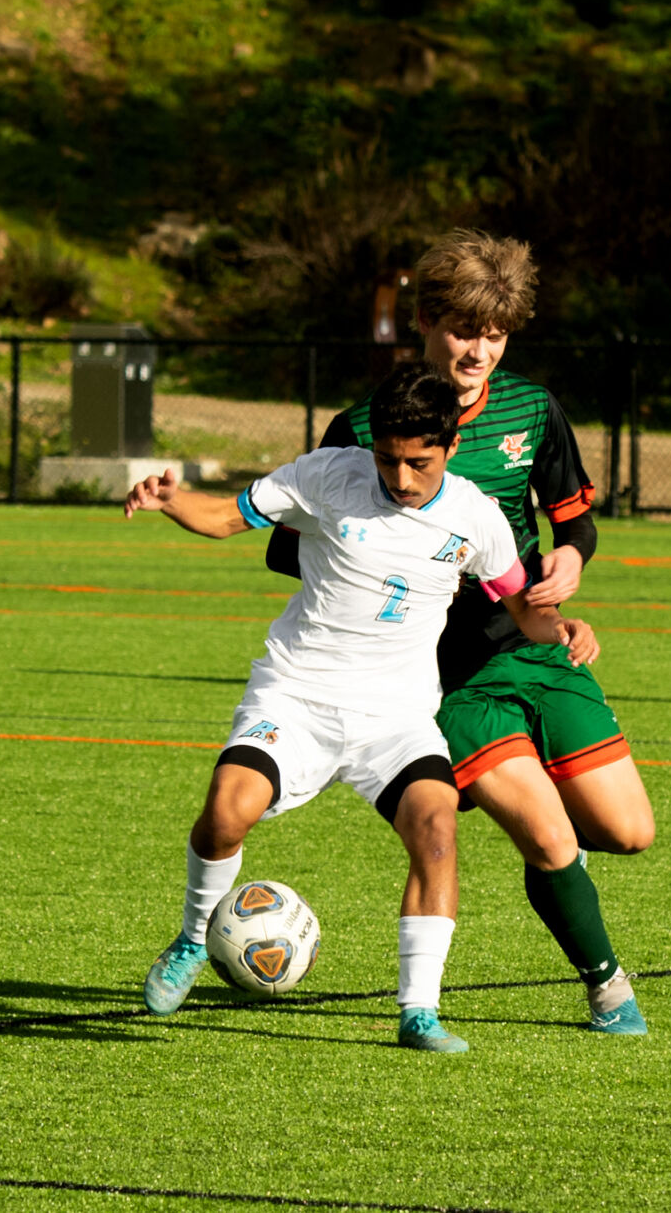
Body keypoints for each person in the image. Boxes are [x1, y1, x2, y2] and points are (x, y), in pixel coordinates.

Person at [129, 364, 599, 1054]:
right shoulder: (327, 474)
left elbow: (518, 601)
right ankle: (193, 941)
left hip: (396, 717)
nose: (401, 479)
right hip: (297, 695)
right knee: (226, 811)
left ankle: (419, 1011)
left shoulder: (477, 517)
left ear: (450, 450)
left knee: (436, 831)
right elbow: (225, 517)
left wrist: (560, 625)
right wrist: (173, 502)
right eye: (387, 460)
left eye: (418, 463)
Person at [269, 230, 655, 1035]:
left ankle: (556, 860)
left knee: (627, 832)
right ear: (424, 323)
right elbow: (291, 550)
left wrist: (570, 566)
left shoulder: (530, 409)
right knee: (547, 833)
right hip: (441, 678)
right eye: (461, 329)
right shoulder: (362, 428)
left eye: (494, 332)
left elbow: (573, 521)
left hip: (531, 645)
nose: (477, 348)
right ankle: (607, 983)